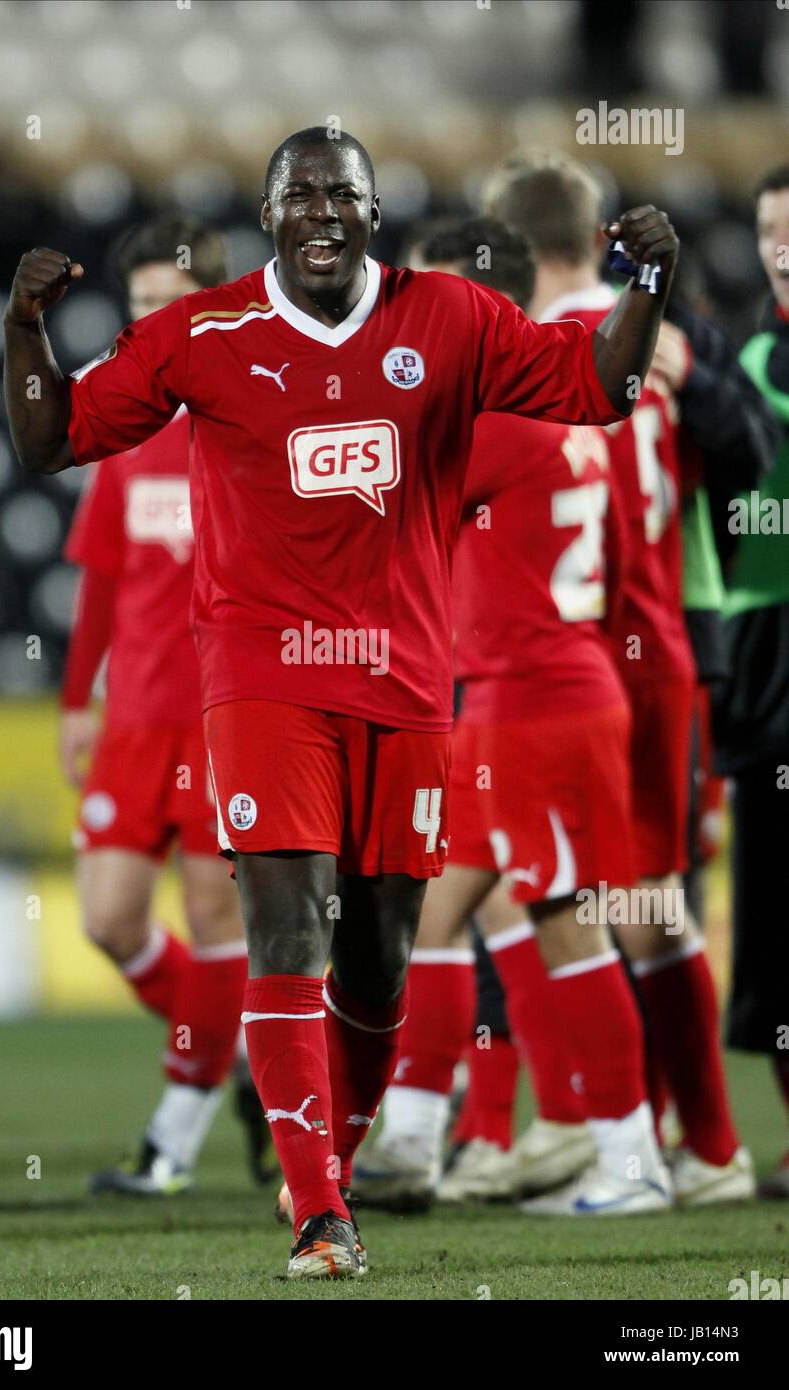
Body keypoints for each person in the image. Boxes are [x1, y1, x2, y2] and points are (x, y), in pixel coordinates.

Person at [3, 126, 676, 1278]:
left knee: (375, 967)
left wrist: (643, 285)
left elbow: (594, 387)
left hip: (405, 685)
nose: (320, 211)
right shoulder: (201, 332)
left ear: (371, 212)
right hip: (260, 675)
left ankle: (342, 1157)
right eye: (298, 194)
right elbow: (52, 431)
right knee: (286, 923)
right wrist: (23, 330)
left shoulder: (450, 320)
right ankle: (321, 1211)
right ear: (267, 218)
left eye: (342, 194)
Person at [355, 214, 671, 1217]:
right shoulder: (573, 416)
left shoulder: (487, 422)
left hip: (531, 703)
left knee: (564, 924)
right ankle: (407, 1139)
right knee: (438, 908)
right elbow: (619, 568)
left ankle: (632, 1164)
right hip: (537, 695)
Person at [482, 153, 751, 1206]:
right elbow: (750, 463)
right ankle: (661, 1139)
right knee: (630, 901)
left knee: (594, 901)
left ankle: (658, 1144)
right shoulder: (666, 338)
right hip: (650, 647)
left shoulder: (533, 355)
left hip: (577, 654)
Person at [58, 214, 267, 1195]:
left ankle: (173, 1135)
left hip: (225, 713)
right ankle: (248, 1053)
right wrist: (73, 702)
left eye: (165, 304)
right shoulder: (117, 419)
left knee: (215, 912)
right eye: (136, 304)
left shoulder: (252, 410)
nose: (147, 320)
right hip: (134, 716)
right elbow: (99, 577)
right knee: (108, 918)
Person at [714, 164, 789, 1198]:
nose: (781, 246)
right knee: (774, 923)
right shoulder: (747, 362)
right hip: (770, 687)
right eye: (770, 229)